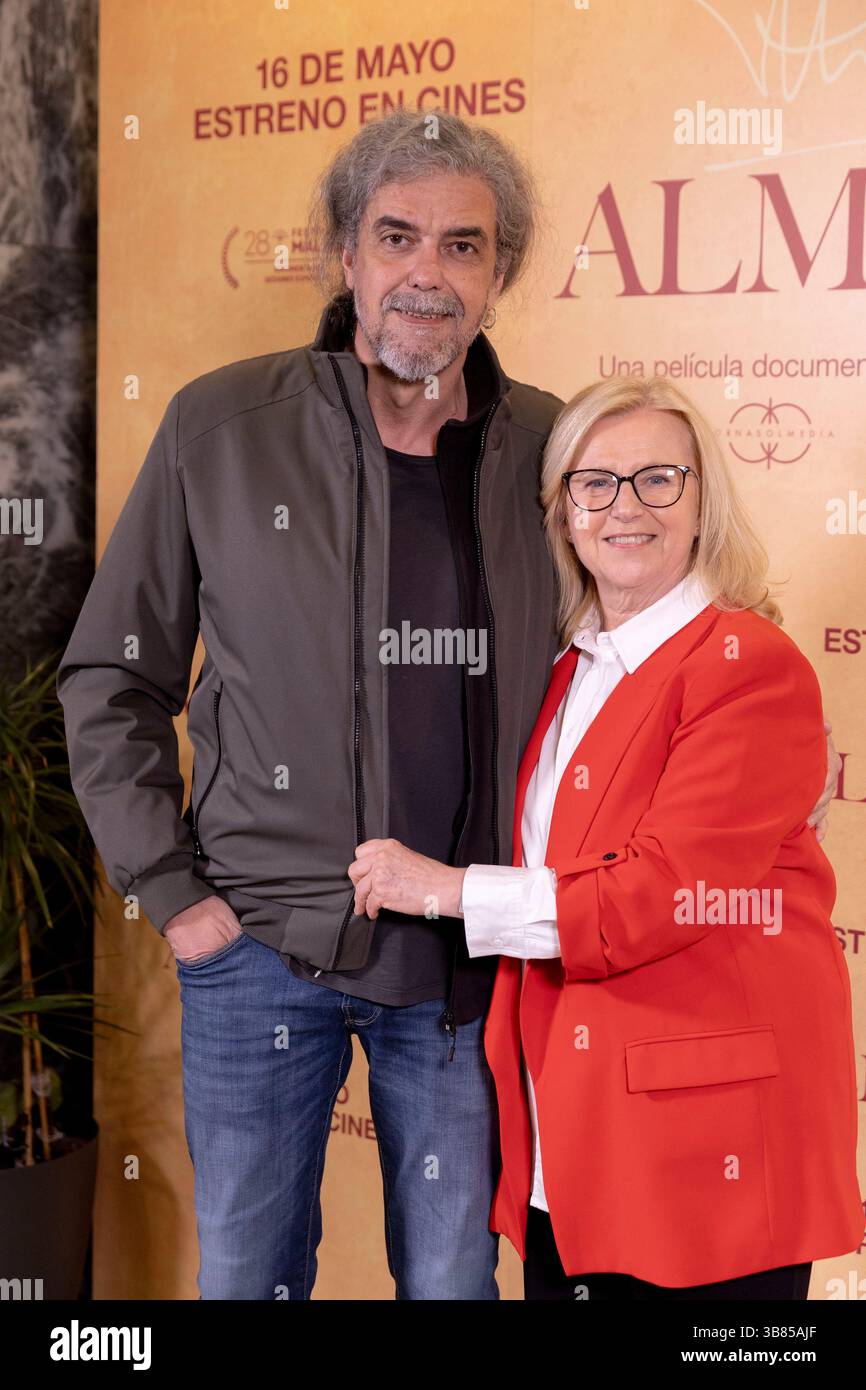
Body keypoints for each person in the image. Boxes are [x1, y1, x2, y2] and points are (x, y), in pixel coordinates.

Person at [58, 108, 838, 1301]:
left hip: (472, 966)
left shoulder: (556, 450)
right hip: (257, 950)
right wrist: (176, 898)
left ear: (499, 273)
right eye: (396, 237)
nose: (427, 272)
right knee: (245, 1278)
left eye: (463, 246)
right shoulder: (222, 430)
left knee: (452, 1283)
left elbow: (634, 654)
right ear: (342, 256)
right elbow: (113, 675)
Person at [348, 374, 863, 1300]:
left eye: (659, 478)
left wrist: (446, 888)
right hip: (577, 1130)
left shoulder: (749, 667)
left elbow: (654, 897)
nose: (625, 506)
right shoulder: (570, 671)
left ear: (704, 501)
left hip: (706, 1147)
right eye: (595, 482)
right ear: (564, 514)